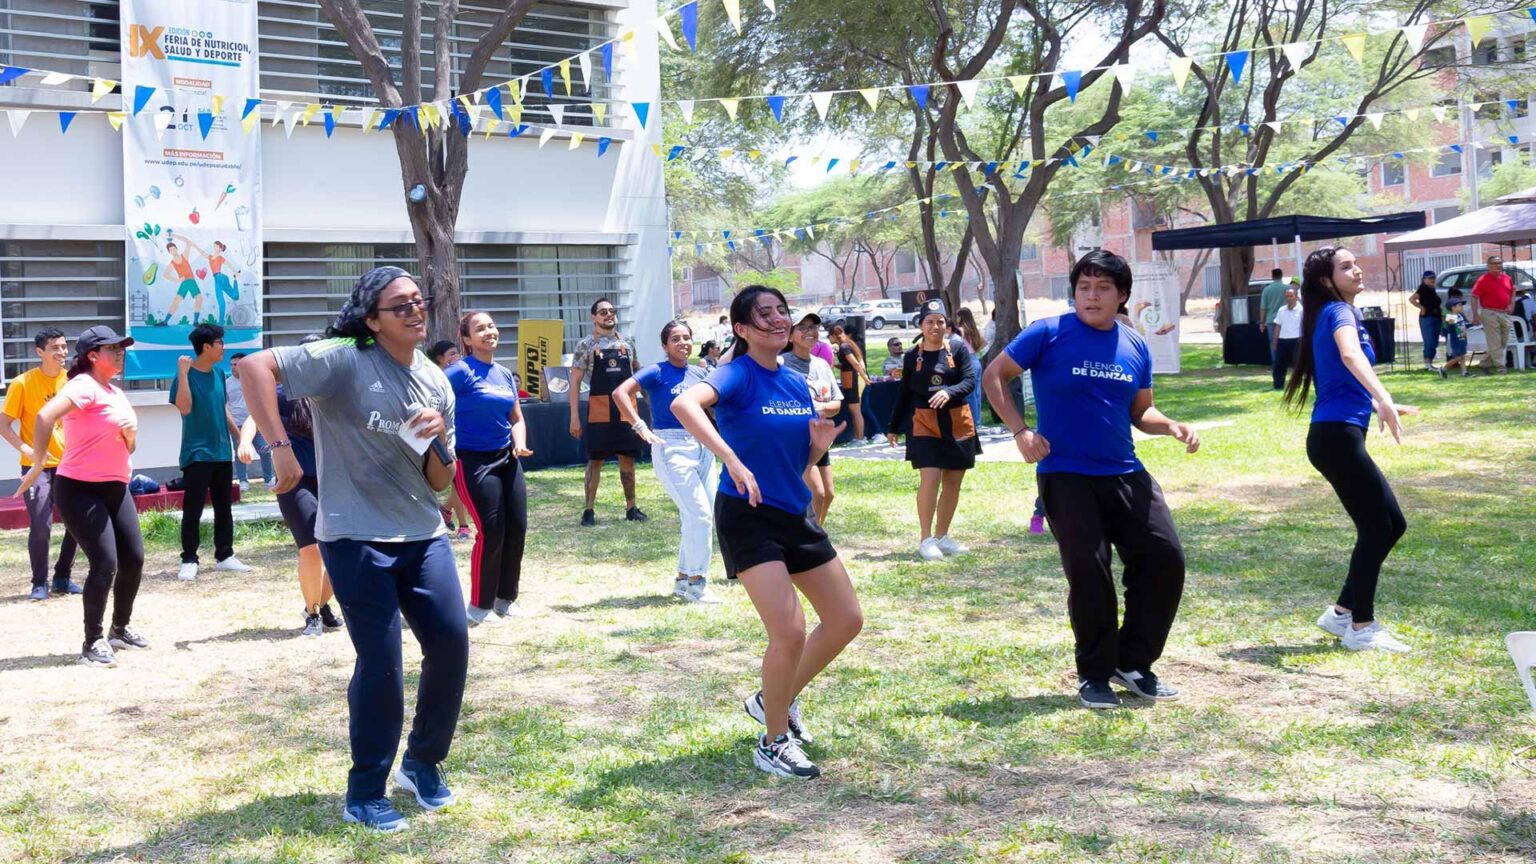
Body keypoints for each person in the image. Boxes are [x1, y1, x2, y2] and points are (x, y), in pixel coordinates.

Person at [239, 266, 467, 832]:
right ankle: (365, 790)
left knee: (452, 646)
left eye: (419, 302)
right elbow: (252, 367)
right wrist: (280, 448)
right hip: (354, 535)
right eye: (401, 306)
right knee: (382, 662)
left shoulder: (436, 380)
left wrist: (435, 437)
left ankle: (422, 763)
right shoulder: (344, 356)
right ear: (372, 319)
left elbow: (440, 480)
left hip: (421, 533)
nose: (416, 312)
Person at [982, 250, 1201, 710]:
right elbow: (995, 375)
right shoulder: (1049, 333)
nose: (1092, 295)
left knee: (1165, 558)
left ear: (1122, 295)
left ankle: (1132, 661)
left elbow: (1142, 411)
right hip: (1066, 475)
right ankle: (1095, 673)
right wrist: (1020, 431)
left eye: (1103, 288)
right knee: (1091, 572)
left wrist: (1172, 425)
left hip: (1124, 471)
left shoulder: (1134, 344)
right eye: (1084, 286)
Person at [672, 285, 862, 780]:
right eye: (765, 315)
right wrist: (730, 459)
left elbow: (792, 459)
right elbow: (685, 407)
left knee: (845, 620)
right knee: (790, 630)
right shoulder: (735, 374)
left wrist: (817, 449)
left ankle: (771, 698)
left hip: (794, 513)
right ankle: (774, 741)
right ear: (741, 328)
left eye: (782, 312)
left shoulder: (796, 382)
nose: (778, 320)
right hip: (748, 514)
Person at [1283, 247, 1417, 652]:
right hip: (1335, 437)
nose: (1356, 269)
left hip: (1336, 435)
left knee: (1390, 524)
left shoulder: (1330, 314)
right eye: (1346, 266)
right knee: (1379, 526)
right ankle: (1362, 628)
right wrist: (1384, 393)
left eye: (1355, 263)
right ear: (1327, 280)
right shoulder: (1340, 313)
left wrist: (1376, 403)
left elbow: (1339, 377)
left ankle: (1341, 614)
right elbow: (1350, 355)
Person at [15, 326, 146, 667]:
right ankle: (92, 642)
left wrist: (130, 436)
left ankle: (120, 628)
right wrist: (39, 461)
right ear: (92, 356)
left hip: (116, 486)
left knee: (133, 558)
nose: (120, 353)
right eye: (112, 349)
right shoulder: (83, 385)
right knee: (105, 562)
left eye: (122, 348)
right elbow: (45, 416)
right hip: (79, 488)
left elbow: (127, 444)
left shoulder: (115, 392)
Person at [237, 336, 343, 637]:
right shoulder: (283, 392)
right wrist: (245, 442)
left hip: (334, 480)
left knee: (342, 551)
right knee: (311, 549)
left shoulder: (336, 394)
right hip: (296, 481)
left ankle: (321, 605)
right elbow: (255, 418)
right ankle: (311, 614)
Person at [613, 320, 719, 603]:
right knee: (699, 516)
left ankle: (684, 581)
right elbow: (620, 393)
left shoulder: (700, 372)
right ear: (664, 345)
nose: (683, 343)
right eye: (675, 339)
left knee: (697, 515)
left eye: (687, 338)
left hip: (703, 445)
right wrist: (639, 426)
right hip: (671, 446)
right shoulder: (656, 371)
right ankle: (698, 584)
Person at [448, 311, 533, 626]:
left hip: (507, 458)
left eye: (492, 326)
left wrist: (519, 443)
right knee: (491, 530)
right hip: (472, 459)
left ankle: (505, 599)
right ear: (467, 340)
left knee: (517, 527)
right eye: (479, 328)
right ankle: (479, 607)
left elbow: (516, 418)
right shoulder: (459, 372)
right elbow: (431, 399)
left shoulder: (505, 375)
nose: (488, 332)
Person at [888, 299, 981, 561]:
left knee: (953, 481)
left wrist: (948, 392)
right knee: (930, 478)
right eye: (930, 322)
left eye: (940, 321)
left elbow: (969, 381)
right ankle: (926, 538)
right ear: (921, 325)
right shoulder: (911, 356)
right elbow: (904, 392)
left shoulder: (958, 349)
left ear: (946, 325)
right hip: (924, 422)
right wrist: (893, 426)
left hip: (956, 421)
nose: (935, 326)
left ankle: (943, 536)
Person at [2, 328, 81, 601]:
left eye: (64, 346)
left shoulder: (73, 382)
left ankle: (63, 576)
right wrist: (27, 449)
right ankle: (39, 582)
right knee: (41, 523)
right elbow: (3, 424)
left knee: (77, 523)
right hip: (36, 467)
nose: (62, 352)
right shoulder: (23, 383)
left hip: (72, 463)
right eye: (55, 348)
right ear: (39, 352)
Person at [171, 322, 251, 581]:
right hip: (197, 453)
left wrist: (240, 438)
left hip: (221, 451)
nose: (223, 348)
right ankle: (189, 558)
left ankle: (225, 555)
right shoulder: (185, 375)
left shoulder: (218, 373)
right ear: (206, 347)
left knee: (224, 507)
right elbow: (183, 407)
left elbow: (223, 408)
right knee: (193, 508)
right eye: (219, 343)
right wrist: (182, 374)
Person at [568, 298, 648, 526]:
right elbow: (574, 382)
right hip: (599, 410)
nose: (609, 315)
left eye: (612, 311)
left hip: (627, 411)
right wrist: (574, 416)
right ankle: (589, 511)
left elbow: (639, 376)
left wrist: (650, 405)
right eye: (603, 312)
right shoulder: (585, 345)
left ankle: (631, 508)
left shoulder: (628, 342)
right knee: (595, 461)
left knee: (628, 460)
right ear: (594, 317)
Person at [779, 312, 844, 525]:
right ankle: (810, 539)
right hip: (797, 441)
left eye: (814, 327)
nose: (810, 332)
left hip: (821, 440)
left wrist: (820, 407)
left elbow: (836, 404)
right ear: (790, 335)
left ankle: (815, 536)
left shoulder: (822, 365)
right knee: (817, 493)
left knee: (829, 494)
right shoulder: (780, 365)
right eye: (803, 327)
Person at [428, 340, 471, 541]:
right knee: (458, 480)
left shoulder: (460, 374)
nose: (456, 358)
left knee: (459, 482)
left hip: (463, 432)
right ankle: (463, 525)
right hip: (445, 438)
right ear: (440, 358)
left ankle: (446, 510)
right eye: (451, 354)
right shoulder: (435, 378)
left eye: (457, 353)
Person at [226, 352, 275, 492]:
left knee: (265, 450)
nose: (233, 367)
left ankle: (269, 478)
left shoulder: (254, 380)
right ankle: (243, 481)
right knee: (240, 453)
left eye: (236, 364)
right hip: (237, 425)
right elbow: (225, 405)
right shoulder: (227, 384)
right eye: (231, 365)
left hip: (256, 423)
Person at [1470, 255, 1515, 374]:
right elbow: (1474, 297)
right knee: (1495, 341)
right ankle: (1501, 367)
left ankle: (1484, 363)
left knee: (1502, 341)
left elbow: (1512, 292)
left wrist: (1511, 305)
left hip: (1504, 312)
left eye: (1500, 263)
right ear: (1488, 266)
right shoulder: (1483, 279)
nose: (1498, 265)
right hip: (1489, 312)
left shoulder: (1507, 278)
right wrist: (1475, 314)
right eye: (1495, 263)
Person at [827, 323, 871, 442]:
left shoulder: (844, 346)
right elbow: (850, 363)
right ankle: (858, 436)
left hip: (853, 379)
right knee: (855, 410)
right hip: (850, 378)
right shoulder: (848, 344)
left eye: (829, 336)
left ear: (834, 335)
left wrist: (864, 376)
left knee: (855, 410)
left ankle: (860, 438)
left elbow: (855, 363)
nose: (828, 339)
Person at [953, 307, 987, 426]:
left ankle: (972, 420)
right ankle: (978, 420)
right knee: (976, 392)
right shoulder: (973, 330)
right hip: (975, 360)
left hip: (966, 360)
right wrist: (975, 349)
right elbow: (984, 343)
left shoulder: (959, 331)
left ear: (960, 317)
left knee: (968, 393)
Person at [1407, 270, 1444, 374]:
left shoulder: (1432, 289)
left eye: (1433, 277)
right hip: (1427, 318)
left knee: (1435, 340)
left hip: (1436, 317)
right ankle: (1427, 364)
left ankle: (1430, 363)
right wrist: (1421, 308)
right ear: (1424, 279)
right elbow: (1412, 299)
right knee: (1429, 341)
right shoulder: (1423, 288)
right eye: (1430, 278)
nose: (1432, 279)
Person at [162, 237, 204, 325]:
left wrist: (174, 235)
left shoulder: (184, 256)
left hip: (191, 281)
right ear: (169, 252)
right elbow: (165, 274)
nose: (173, 250)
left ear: (176, 248)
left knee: (199, 298)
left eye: (174, 248)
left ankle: (195, 321)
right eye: (171, 250)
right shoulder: (172, 263)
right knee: (176, 301)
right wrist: (177, 280)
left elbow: (188, 242)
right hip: (185, 282)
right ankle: (165, 321)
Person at [1271, 288, 1303, 390]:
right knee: (1279, 365)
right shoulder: (1281, 310)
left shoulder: (1302, 310)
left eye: (1291, 296)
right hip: (1282, 340)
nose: (1289, 299)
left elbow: (1305, 326)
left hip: (1297, 340)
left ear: (1296, 297)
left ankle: (1296, 385)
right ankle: (1278, 385)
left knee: (1297, 365)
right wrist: (1275, 340)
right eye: (1287, 296)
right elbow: (1278, 326)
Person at [1259, 267, 1288, 355]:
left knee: (1273, 343)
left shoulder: (1266, 290)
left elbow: (1263, 307)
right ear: (1281, 276)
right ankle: (1286, 363)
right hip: (1285, 320)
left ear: (1272, 277)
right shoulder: (1287, 288)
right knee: (1286, 342)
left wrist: (1261, 322)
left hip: (1271, 320)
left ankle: (1276, 364)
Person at [1443, 290, 1471, 377]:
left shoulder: (1460, 315)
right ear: (1453, 308)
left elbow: (1463, 325)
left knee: (1462, 356)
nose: (1461, 307)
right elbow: (1452, 328)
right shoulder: (1450, 317)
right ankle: (1443, 368)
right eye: (1459, 305)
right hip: (1456, 340)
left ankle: (1464, 371)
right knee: (1458, 357)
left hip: (1462, 339)